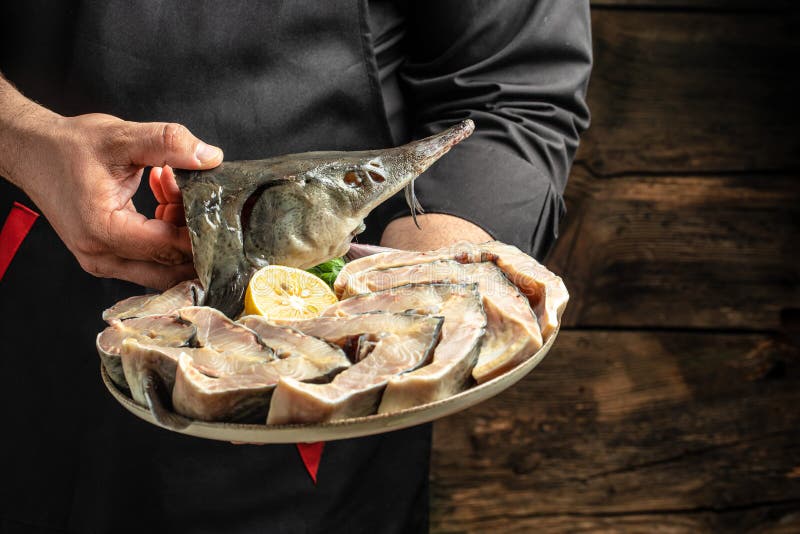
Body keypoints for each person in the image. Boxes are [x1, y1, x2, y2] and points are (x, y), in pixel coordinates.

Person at [0, 2, 591, 532]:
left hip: (331, 389)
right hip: (32, 329)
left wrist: (417, 296)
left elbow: (516, 87)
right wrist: (22, 136)